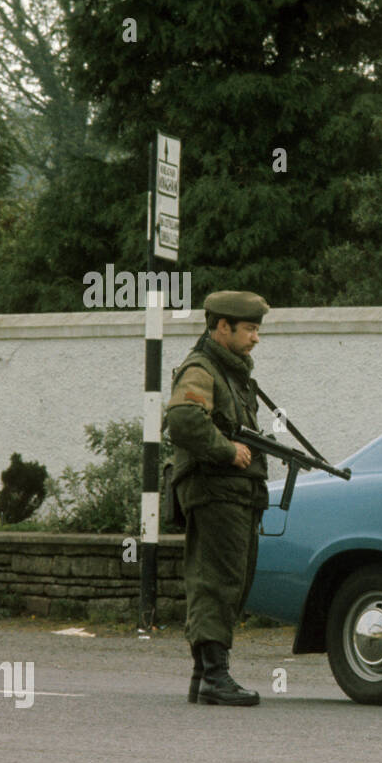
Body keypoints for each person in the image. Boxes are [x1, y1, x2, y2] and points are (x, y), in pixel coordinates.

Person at [164, 291, 270, 707]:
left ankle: (203, 674)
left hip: (234, 492)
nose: (256, 338)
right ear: (221, 327)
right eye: (249, 329)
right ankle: (215, 677)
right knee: (217, 580)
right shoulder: (202, 368)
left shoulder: (230, 373)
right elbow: (183, 418)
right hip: (215, 490)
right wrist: (227, 450)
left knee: (229, 578)